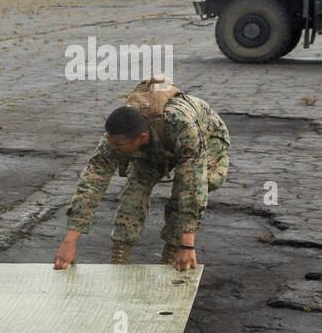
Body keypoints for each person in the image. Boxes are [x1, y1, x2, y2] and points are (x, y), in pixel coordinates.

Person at [54, 77, 230, 272]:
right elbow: (91, 183)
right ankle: (119, 260)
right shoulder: (117, 137)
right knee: (134, 192)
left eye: (118, 146)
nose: (113, 148)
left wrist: (187, 245)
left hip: (204, 135)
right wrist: (70, 241)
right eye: (111, 143)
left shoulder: (182, 127)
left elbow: (192, 187)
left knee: (188, 191)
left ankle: (171, 257)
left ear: (142, 137)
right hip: (155, 146)